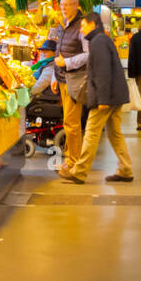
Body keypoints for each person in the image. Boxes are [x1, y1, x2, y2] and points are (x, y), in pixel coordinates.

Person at [59, 12, 133, 184]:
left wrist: (103, 100)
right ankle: (126, 169)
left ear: (93, 23)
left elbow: (102, 73)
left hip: (106, 97)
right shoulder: (102, 40)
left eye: (83, 25)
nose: (82, 28)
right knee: (115, 134)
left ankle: (79, 171)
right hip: (115, 95)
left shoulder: (98, 42)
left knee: (91, 133)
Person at [52, 0, 88, 171]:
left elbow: (89, 55)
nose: (63, 8)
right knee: (67, 121)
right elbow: (58, 51)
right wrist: (54, 75)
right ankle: (69, 158)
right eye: (61, 5)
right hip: (62, 79)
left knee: (72, 122)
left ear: (76, 5)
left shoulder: (83, 26)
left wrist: (66, 63)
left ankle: (74, 161)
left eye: (67, 5)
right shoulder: (63, 25)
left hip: (75, 79)